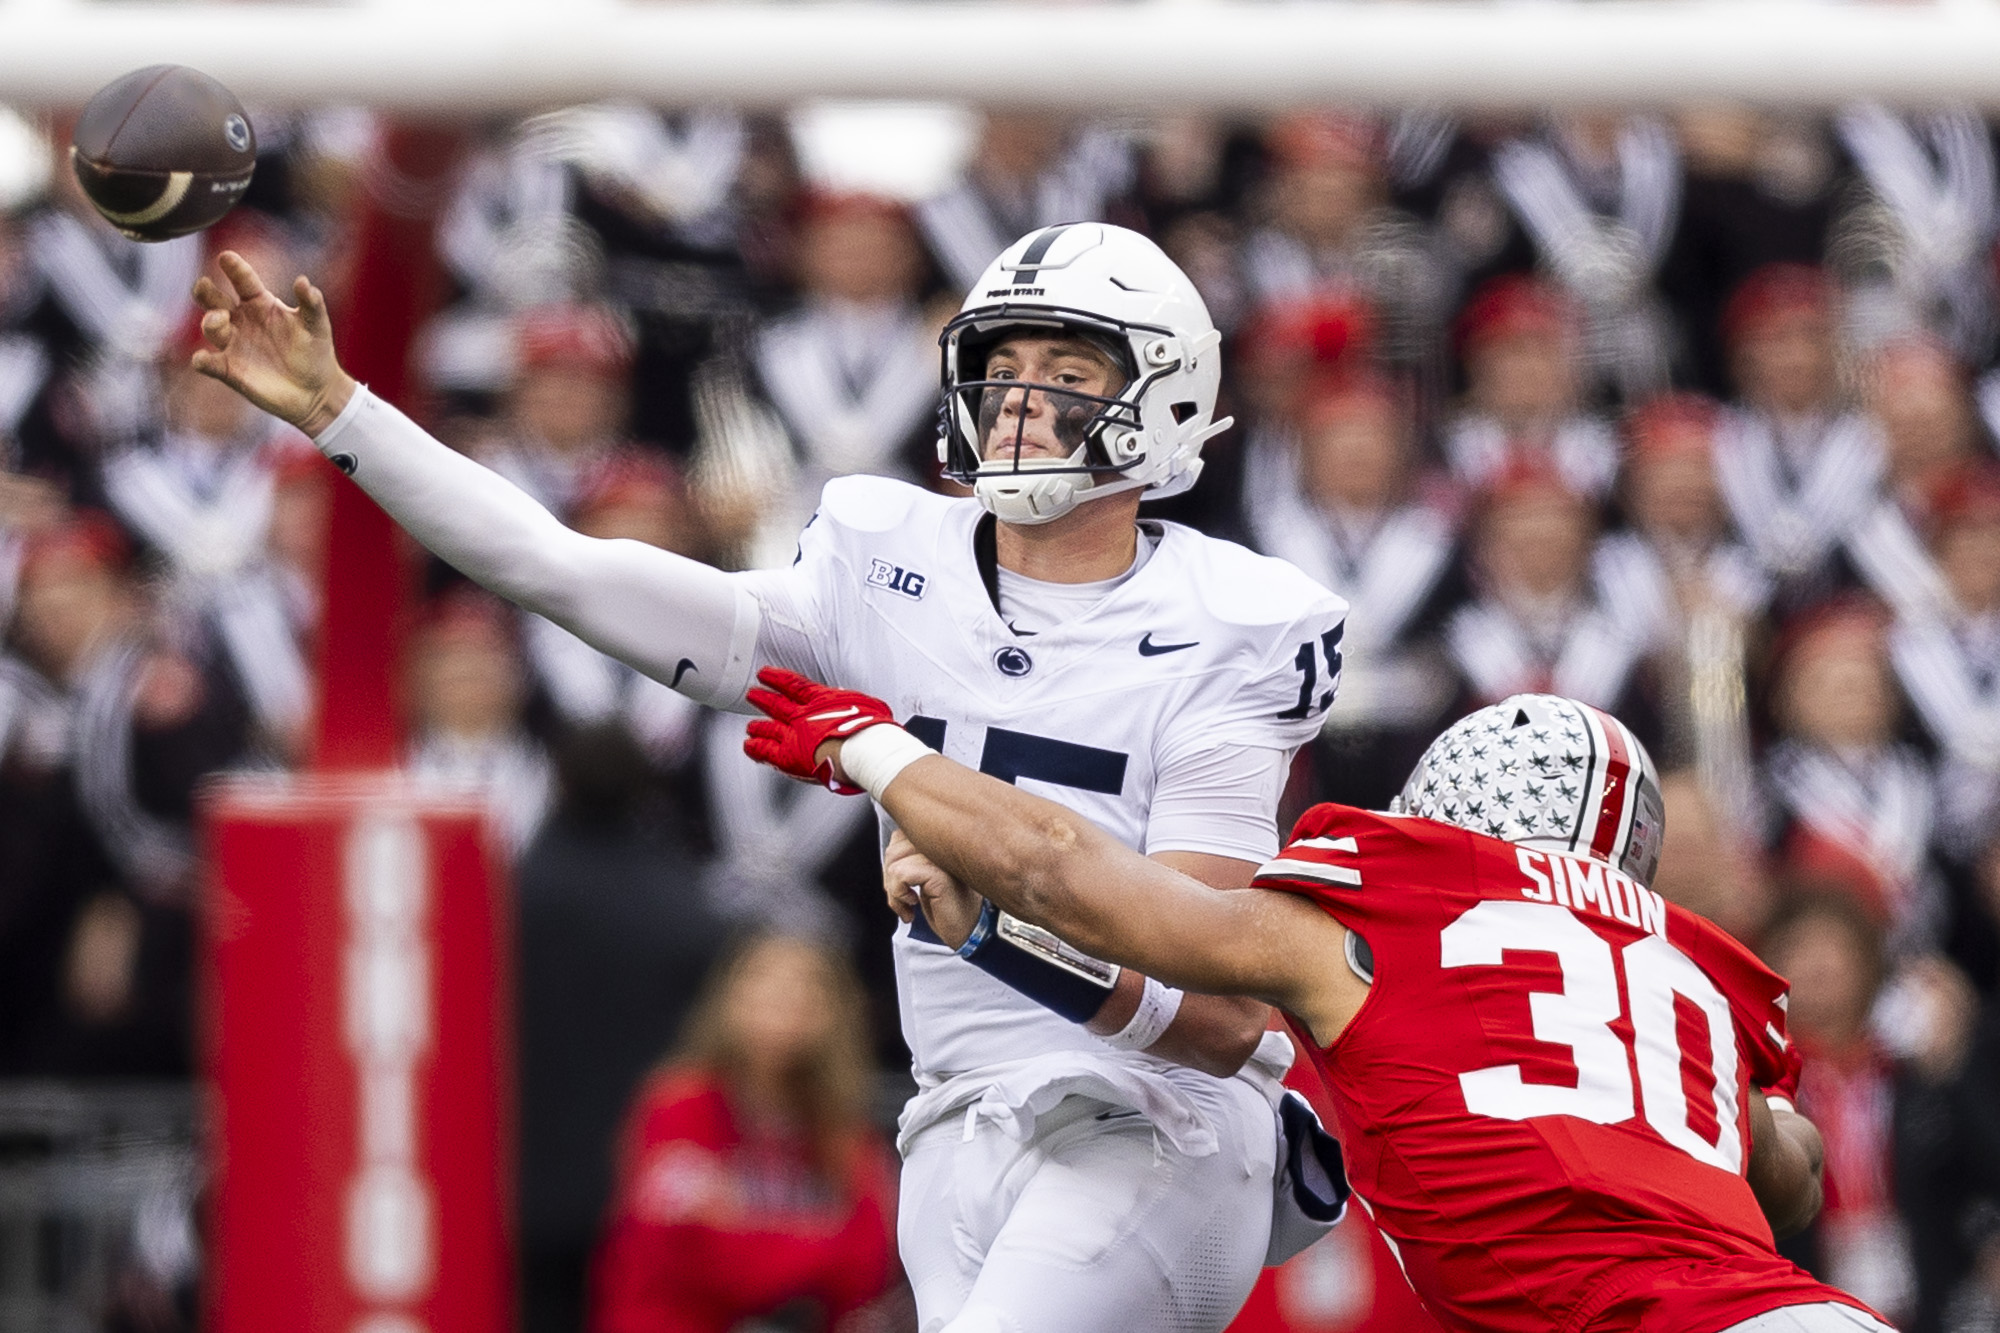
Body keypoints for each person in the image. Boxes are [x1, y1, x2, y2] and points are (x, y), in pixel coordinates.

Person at [187, 223, 1349, 1332]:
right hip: (953, 1117)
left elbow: (1213, 1013)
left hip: (1160, 1126)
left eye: (1069, 366)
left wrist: (995, 932)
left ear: (1167, 393)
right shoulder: (883, 562)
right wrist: (342, 413)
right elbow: (561, 570)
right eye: (1005, 363)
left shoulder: (1231, 625)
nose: (1022, 397)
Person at [739, 668, 1897, 1333]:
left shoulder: (1390, 917)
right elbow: (1786, 1177)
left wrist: (883, 756)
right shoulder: (1681, 975)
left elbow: (1083, 882)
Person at [590, 933, 901, 1333]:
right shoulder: (678, 1107)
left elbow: (869, 1259)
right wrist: (821, 1244)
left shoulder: (840, 1125)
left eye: (806, 993)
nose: (785, 1006)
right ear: (730, 998)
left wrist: (745, 1229)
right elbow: (683, 1254)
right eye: (766, 988)